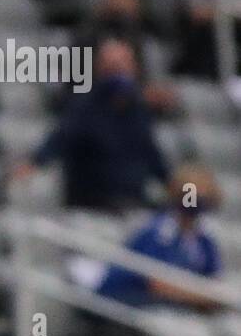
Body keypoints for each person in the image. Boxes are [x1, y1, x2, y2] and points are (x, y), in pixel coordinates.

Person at [16, 38, 168, 212]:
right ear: (100, 69)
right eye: (112, 67)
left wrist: (173, 184)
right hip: (93, 203)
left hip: (133, 199)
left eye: (122, 66)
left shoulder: (138, 110)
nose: (118, 73)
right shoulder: (83, 107)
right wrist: (33, 163)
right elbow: (59, 139)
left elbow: (152, 155)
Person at [97, 165, 225, 311]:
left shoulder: (204, 240)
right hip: (127, 300)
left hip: (170, 304)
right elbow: (156, 283)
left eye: (202, 195)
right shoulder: (155, 230)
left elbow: (212, 277)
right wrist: (205, 297)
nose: (195, 199)